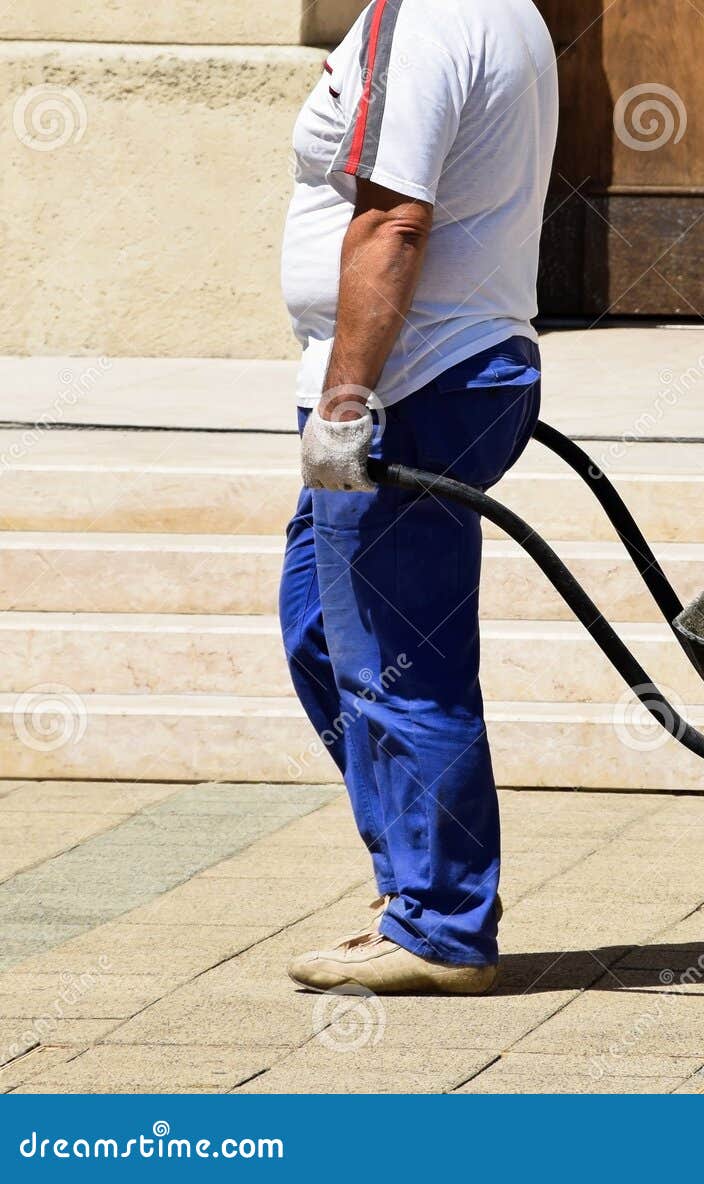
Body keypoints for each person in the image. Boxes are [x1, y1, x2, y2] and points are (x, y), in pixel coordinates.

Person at [277, 0, 558, 993]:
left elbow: (397, 216)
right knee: (319, 625)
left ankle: (441, 923)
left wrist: (348, 404)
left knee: (401, 663)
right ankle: (415, 889)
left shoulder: (429, 15)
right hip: (435, 369)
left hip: (415, 379)